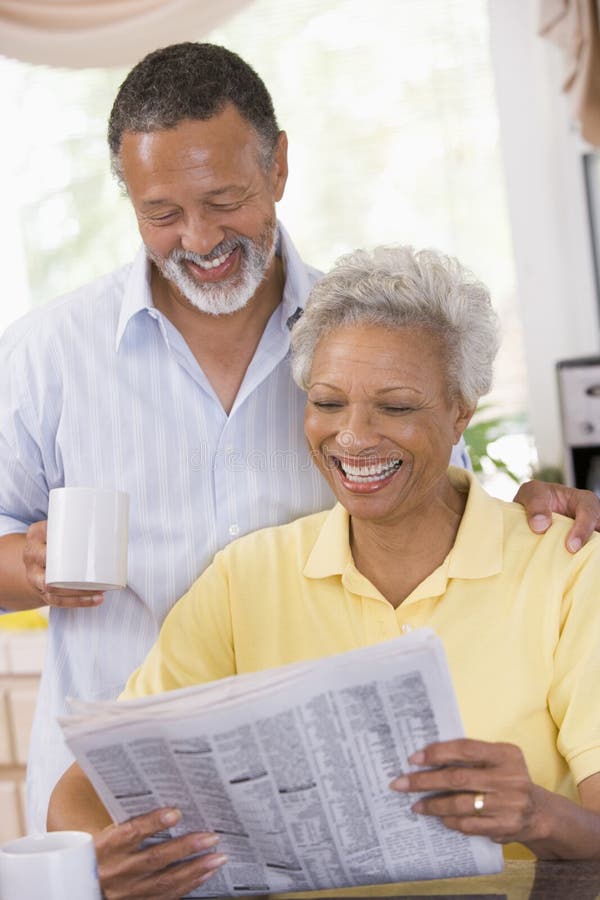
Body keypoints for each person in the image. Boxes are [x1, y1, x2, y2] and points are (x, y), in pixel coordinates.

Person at [0, 43, 598, 835]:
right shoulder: (47, 353)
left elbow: (436, 503)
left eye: (225, 198)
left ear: (278, 167)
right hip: (120, 800)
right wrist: (28, 567)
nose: (201, 238)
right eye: (163, 214)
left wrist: (537, 515)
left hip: (318, 803)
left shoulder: (364, 332)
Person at [49, 244, 600, 899]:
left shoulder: (566, 569)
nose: (355, 437)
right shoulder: (244, 578)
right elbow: (81, 792)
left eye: (395, 407)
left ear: (460, 410)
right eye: (329, 403)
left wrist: (538, 812)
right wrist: (99, 860)